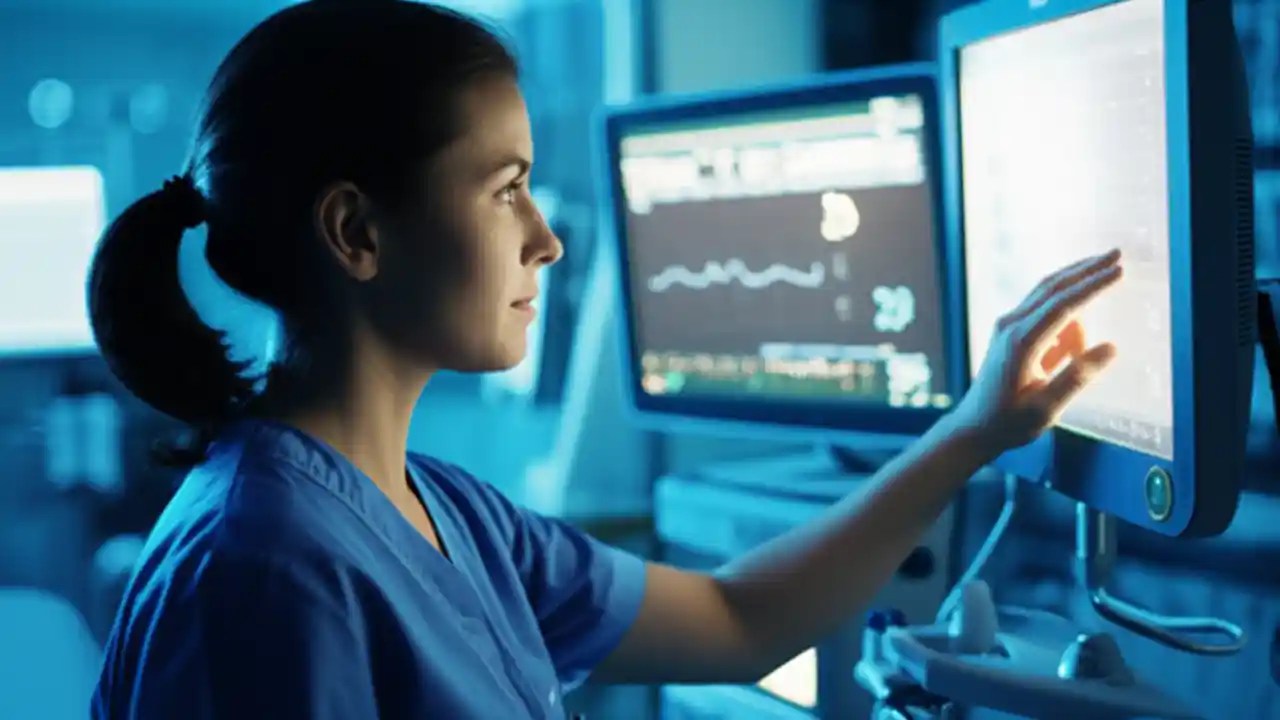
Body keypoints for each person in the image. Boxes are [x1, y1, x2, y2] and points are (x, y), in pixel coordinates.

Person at [85, 1, 1123, 718]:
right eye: (503, 189)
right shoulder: (263, 573)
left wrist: (972, 431)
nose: (546, 238)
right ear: (357, 233)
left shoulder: (440, 511)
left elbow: (734, 620)